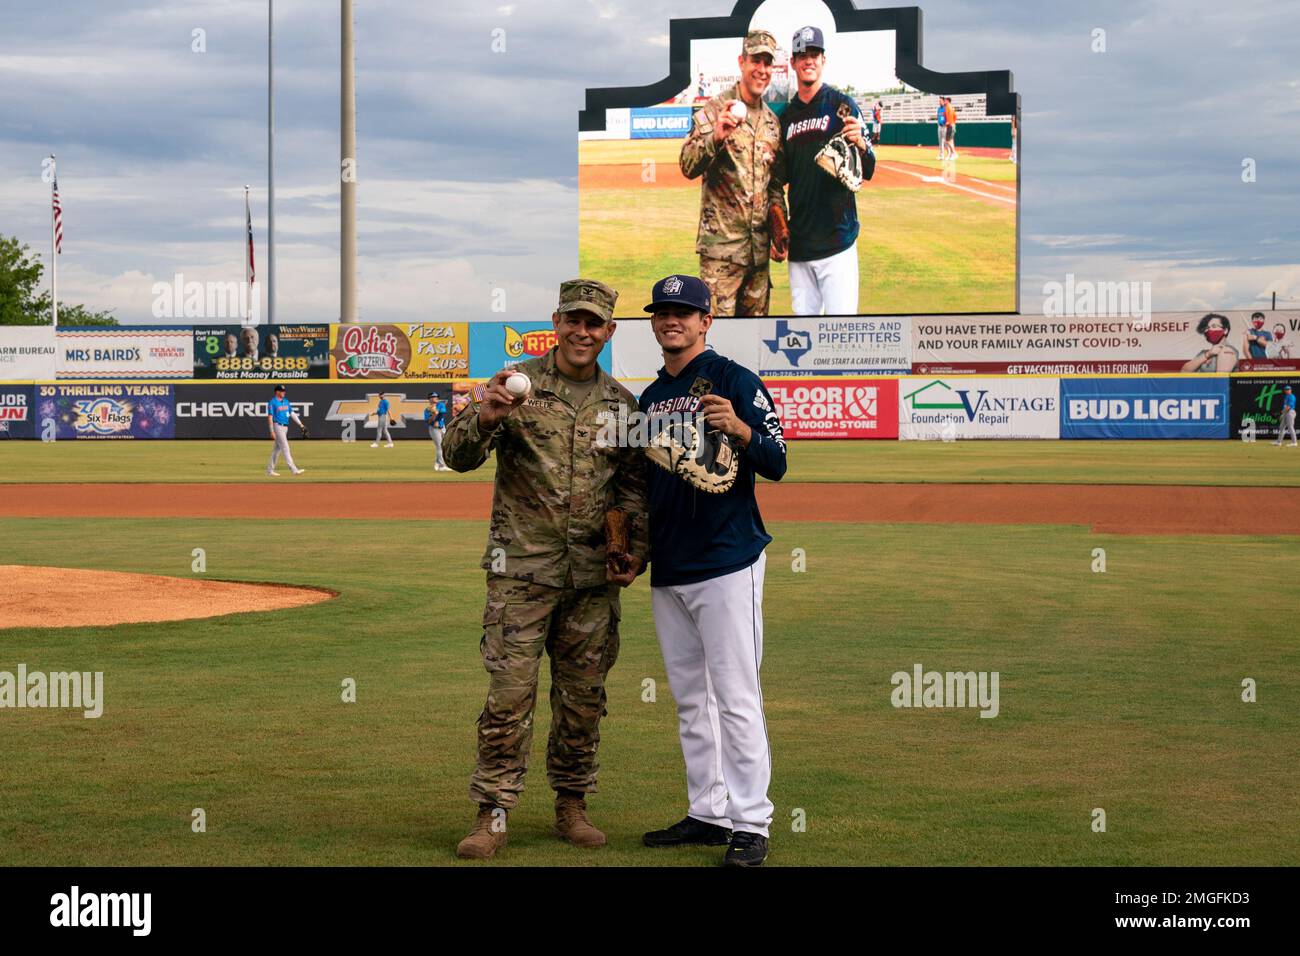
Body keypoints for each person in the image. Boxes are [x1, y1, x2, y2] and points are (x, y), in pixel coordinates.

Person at [443, 278, 649, 860]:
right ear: (556, 322)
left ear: (609, 332)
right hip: (521, 575)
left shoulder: (621, 405)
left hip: (590, 582)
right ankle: (493, 813)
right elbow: (457, 456)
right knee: (509, 696)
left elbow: (632, 490)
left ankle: (572, 805)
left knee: (583, 700)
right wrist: (483, 416)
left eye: (595, 324)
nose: (583, 332)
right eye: (573, 320)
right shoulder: (515, 387)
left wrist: (633, 550)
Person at [636, 274, 787, 868]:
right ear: (654, 322)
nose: (672, 319)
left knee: (736, 696)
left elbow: (777, 461)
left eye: (684, 311)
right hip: (669, 567)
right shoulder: (649, 399)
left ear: (706, 322)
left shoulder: (734, 380)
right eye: (663, 311)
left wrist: (741, 429)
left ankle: (752, 823)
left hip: (727, 561)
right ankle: (708, 811)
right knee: (690, 700)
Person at [679, 30, 787, 317]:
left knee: (754, 346)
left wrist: (780, 223)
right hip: (721, 257)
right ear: (742, 61)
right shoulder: (715, 109)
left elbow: (774, 183)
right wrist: (715, 137)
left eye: (768, 64)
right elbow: (687, 165)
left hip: (758, 257)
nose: (762, 70)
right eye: (756, 61)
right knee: (717, 343)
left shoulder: (772, 124)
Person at [773, 25, 875, 317]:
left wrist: (862, 146)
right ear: (793, 62)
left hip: (838, 244)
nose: (809, 60)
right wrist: (776, 226)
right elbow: (777, 182)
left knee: (841, 335)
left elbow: (869, 169)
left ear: (823, 59)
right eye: (802, 55)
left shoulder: (842, 107)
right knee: (804, 336)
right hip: (801, 247)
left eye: (815, 54)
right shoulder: (785, 118)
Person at [266, 384, 305, 476]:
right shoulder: (272, 402)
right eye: (282, 391)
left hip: (285, 427)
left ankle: (269, 471)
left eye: (284, 391)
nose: (284, 392)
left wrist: (300, 424)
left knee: (277, 450)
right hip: (277, 426)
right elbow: (270, 417)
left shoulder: (286, 401)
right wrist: (271, 431)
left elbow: (292, 413)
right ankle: (294, 470)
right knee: (285, 447)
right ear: (277, 392)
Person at [425, 390, 450, 471]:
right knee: (439, 446)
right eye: (433, 397)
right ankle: (442, 466)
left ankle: (437, 462)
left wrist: (436, 418)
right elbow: (428, 421)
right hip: (434, 429)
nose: (435, 398)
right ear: (429, 399)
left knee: (445, 446)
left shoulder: (440, 405)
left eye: (436, 397)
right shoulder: (427, 409)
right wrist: (433, 416)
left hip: (442, 428)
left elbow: (442, 413)